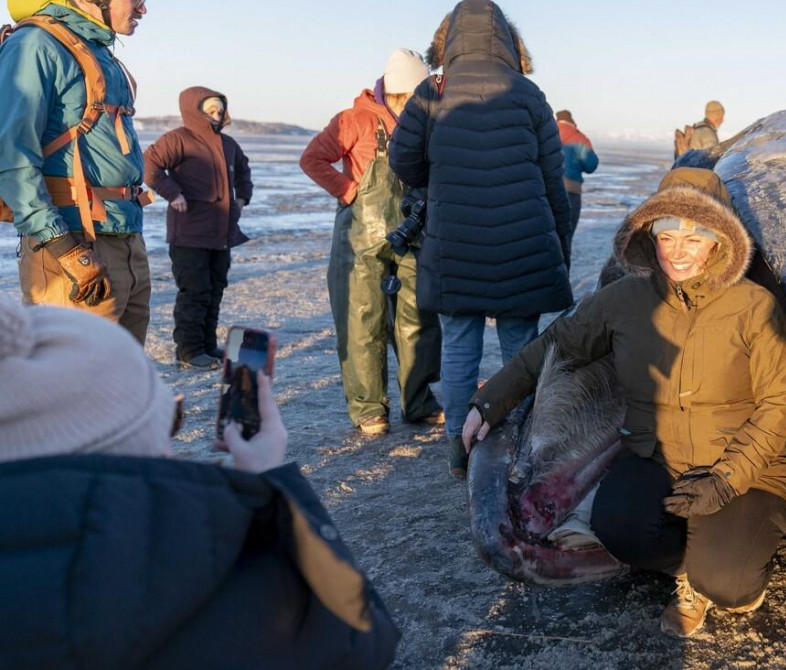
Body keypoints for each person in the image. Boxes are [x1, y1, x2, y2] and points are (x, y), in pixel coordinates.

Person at [464, 168, 786, 638]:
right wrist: (490, 401)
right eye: (667, 236)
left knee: (730, 586)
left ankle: (712, 571)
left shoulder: (755, 306)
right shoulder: (625, 299)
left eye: (695, 237)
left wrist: (727, 480)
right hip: (656, 455)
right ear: (651, 236)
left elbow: (783, 402)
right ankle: (688, 566)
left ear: (719, 241)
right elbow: (557, 344)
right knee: (620, 529)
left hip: (742, 467)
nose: (679, 252)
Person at [0, 296, 400, 668]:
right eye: (169, 421)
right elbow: (360, 637)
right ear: (134, 451)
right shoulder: (208, 578)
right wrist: (272, 488)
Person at [389, 0, 573, 477]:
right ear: (507, 41)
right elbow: (552, 178)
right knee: (521, 349)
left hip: (453, 241)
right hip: (523, 240)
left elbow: (402, 160)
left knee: (458, 347)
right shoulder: (528, 93)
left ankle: (459, 446)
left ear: (449, 39)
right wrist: (560, 243)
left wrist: (437, 179)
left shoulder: (433, 90)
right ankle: (521, 443)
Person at [301, 49, 443, 436]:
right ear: (399, 92)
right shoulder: (354, 119)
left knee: (418, 319)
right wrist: (348, 191)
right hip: (361, 238)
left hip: (414, 234)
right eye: (416, 95)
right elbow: (312, 158)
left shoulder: (428, 122)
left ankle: (419, 402)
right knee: (363, 319)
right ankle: (368, 408)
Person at [0, 0, 153, 344]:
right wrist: (64, 247)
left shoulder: (96, 50)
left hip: (125, 238)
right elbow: (11, 156)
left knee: (124, 370)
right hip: (73, 244)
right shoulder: (36, 44)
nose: (143, 9)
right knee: (71, 373)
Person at [144, 87, 253, 369]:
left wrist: (242, 198)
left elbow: (243, 171)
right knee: (195, 291)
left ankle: (207, 345)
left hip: (222, 231)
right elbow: (149, 164)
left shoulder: (228, 144)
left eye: (219, 110)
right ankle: (189, 351)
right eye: (210, 110)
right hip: (189, 232)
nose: (216, 115)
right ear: (195, 112)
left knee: (215, 289)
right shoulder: (178, 139)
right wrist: (173, 193)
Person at [556, 109, 599, 266]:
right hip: (570, 191)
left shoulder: (545, 130)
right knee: (565, 238)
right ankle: (562, 275)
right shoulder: (578, 137)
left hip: (543, 190)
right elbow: (591, 165)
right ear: (571, 121)